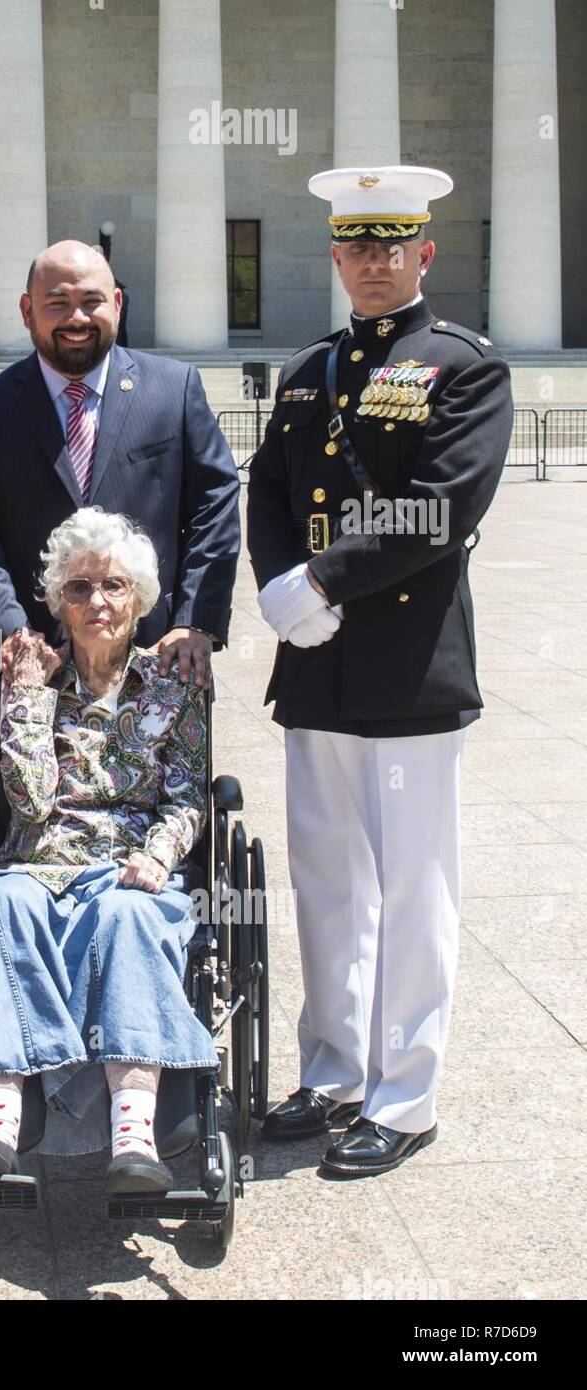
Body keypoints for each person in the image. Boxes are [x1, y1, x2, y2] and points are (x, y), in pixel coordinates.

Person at [247, 166, 514, 1176]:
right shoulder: (311, 367)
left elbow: (443, 506)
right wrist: (278, 582)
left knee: (413, 884)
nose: (372, 263)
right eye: (356, 246)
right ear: (336, 256)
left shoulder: (465, 366)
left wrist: (319, 581)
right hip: (316, 665)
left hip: (406, 659)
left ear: (423, 255)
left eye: (390, 246)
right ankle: (331, 1072)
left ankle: (404, 1096)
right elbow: (270, 487)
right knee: (327, 881)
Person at [0, 509, 216, 1195]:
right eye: (80, 588)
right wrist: (26, 698)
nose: (98, 602)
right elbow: (29, 803)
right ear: (58, 599)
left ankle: (134, 1134)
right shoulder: (34, 679)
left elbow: (185, 800)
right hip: (38, 861)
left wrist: (158, 854)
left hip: (130, 865)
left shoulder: (175, 685)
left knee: (131, 915)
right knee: (0, 903)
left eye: (114, 586)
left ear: (140, 599)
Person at [0, 240, 240, 691]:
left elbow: (215, 506)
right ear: (27, 311)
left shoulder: (175, 389)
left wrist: (195, 623)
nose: (77, 319)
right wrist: (7, 630)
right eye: (58, 303)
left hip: (160, 659)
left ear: (118, 304)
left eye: (92, 302)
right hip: (31, 663)